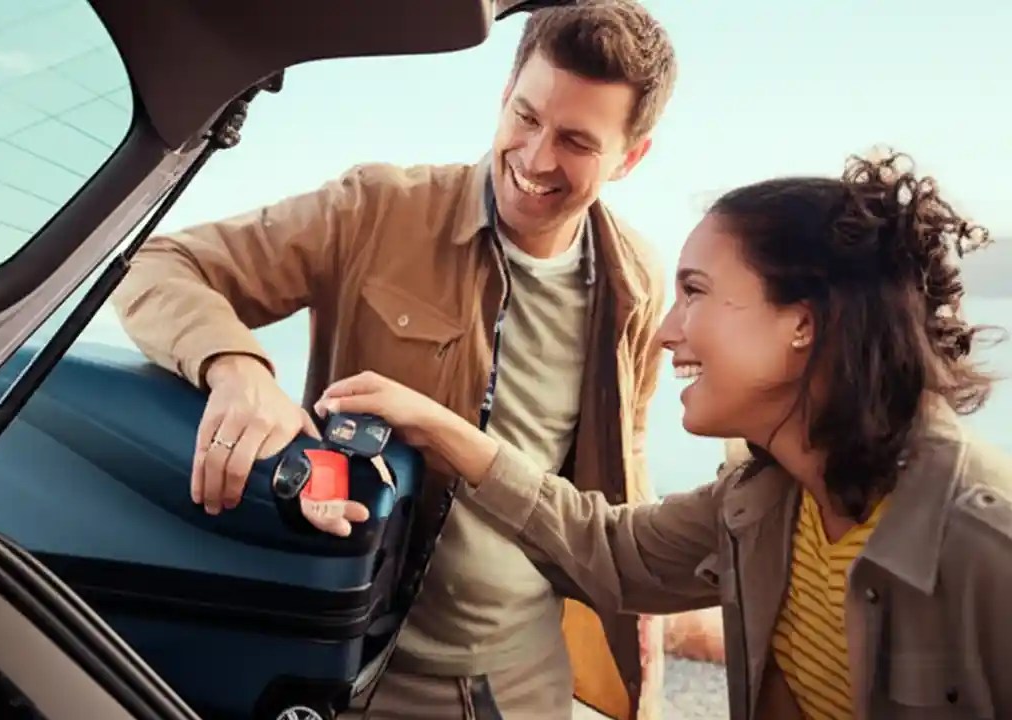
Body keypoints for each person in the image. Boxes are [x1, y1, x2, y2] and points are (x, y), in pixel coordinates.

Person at [111, 3, 689, 717]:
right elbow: (158, 266)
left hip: (524, 674)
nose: (537, 159)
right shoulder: (377, 208)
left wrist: (645, 649)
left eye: (576, 141)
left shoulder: (637, 280)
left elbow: (625, 457)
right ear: (504, 97)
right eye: (527, 117)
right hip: (365, 665)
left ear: (631, 157)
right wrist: (238, 370)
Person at [316, 150, 1012, 719]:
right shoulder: (765, 499)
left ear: (803, 323)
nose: (667, 329)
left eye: (697, 292)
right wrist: (443, 429)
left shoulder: (986, 541)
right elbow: (612, 552)